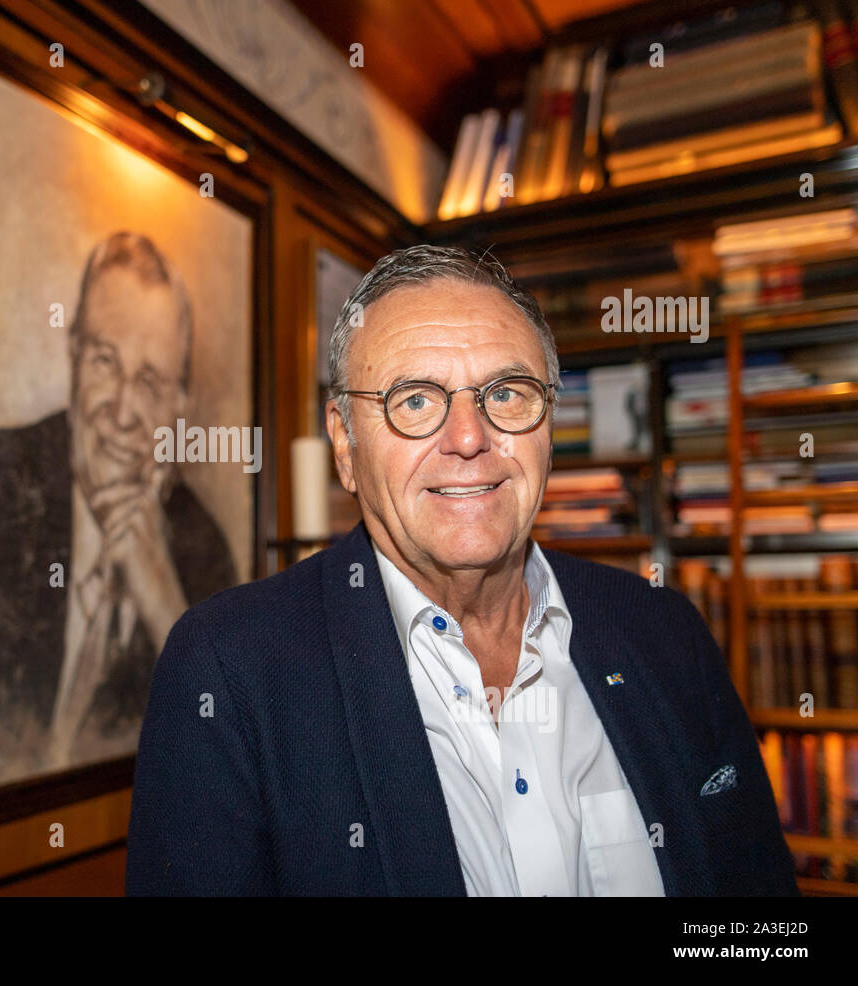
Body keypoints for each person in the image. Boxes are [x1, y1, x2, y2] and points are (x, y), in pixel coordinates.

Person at [127, 244, 797, 897]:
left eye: (506, 393)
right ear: (345, 445)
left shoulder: (663, 629)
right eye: (415, 400)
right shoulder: (230, 668)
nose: (471, 437)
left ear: (548, 423)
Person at [0, 231, 236, 783]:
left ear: (179, 406)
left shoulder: (206, 552)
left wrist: (166, 611)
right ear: (73, 353)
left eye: (150, 381)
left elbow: (234, 758)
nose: (123, 410)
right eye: (106, 361)